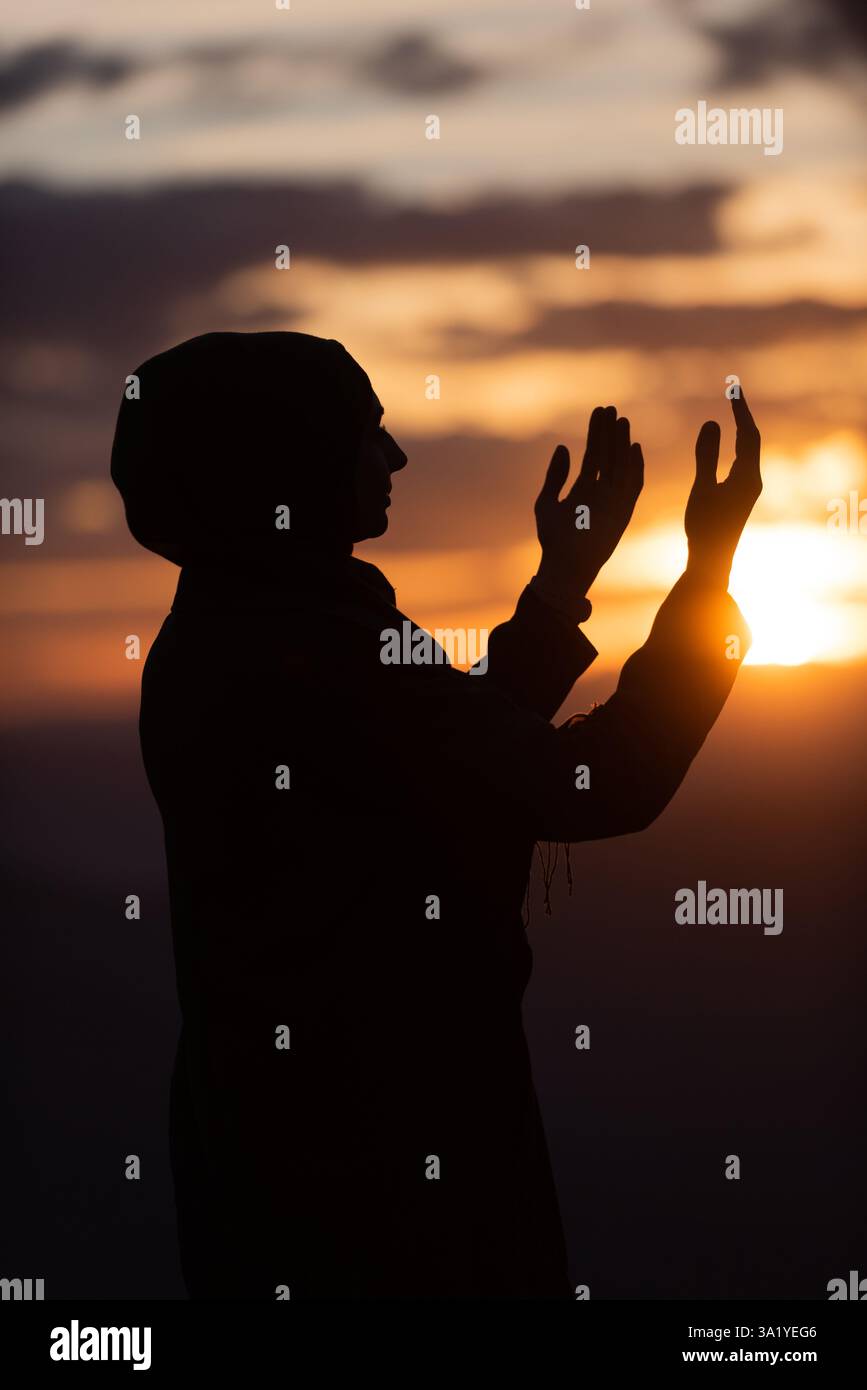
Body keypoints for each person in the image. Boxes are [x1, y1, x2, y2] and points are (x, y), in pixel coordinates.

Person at [110, 331, 761, 1299]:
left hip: (271, 1188)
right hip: (394, 1210)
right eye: (366, 432)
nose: (397, 456)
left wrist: (558, 584)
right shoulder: (320, 650)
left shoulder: (229, 629)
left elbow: (446, 752)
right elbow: (595, 780)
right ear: (288, 463)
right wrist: (708, 575)